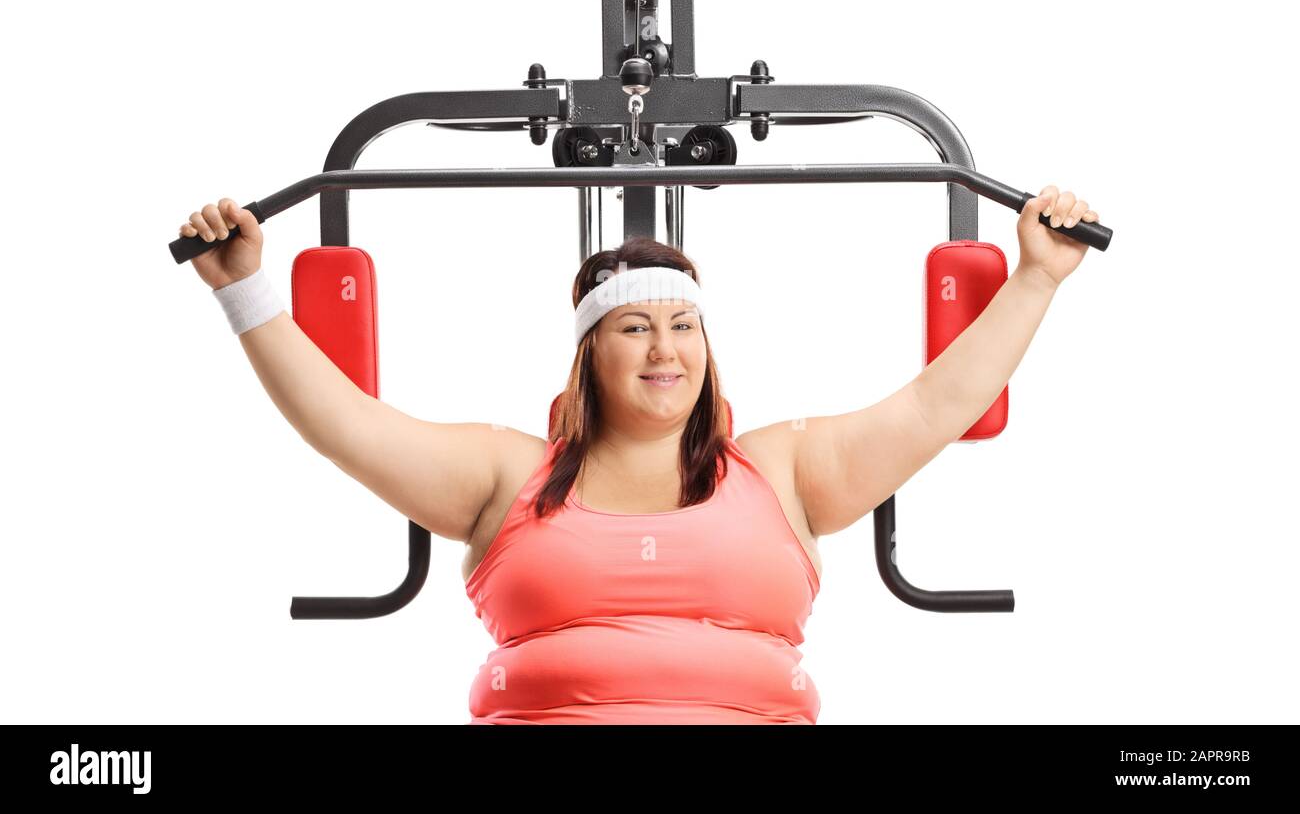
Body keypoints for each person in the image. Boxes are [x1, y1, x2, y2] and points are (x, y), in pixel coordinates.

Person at [178, 186, 1100, 723]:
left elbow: (941, 399)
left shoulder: (780, 471)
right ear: (590, 354)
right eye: (634, 326)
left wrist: (1036, 276)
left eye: (684, 325)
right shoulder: (509, 477)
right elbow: (346, 422)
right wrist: (246, 290)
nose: (667, 349)